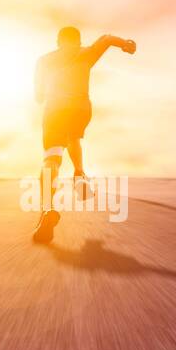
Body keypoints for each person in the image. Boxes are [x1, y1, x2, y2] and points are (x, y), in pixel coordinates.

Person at [31, 26, 135, 243]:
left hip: (55, 110)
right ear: (78, 41)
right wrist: (125, 44)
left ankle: (48, 209)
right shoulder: (85, 53)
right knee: (73, 137)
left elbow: (39, 96)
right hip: (80, 109)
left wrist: (46, 92)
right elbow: (106, 38)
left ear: (58, 42)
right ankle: (79, 173)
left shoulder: (44, 61)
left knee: (51, 159)